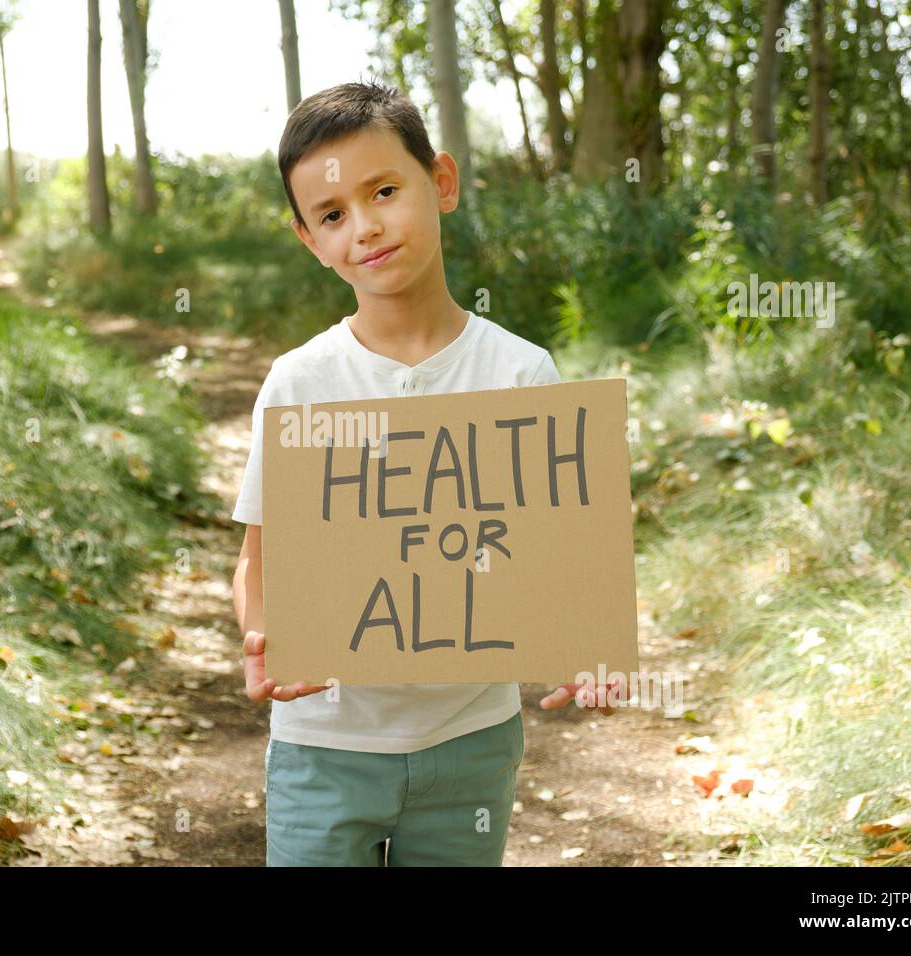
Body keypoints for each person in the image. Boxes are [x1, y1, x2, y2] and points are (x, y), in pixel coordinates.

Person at [231, 80, 621, 867]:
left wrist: (586, 641)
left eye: (384, 191)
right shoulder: (301, 382)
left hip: (471, 742)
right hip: (324, 745)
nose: (365, 227)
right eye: (332, 215)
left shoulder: (520, 373)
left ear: (441, 182)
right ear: (310, 240)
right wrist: (264, 635)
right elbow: (258, 558)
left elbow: (560, 555)